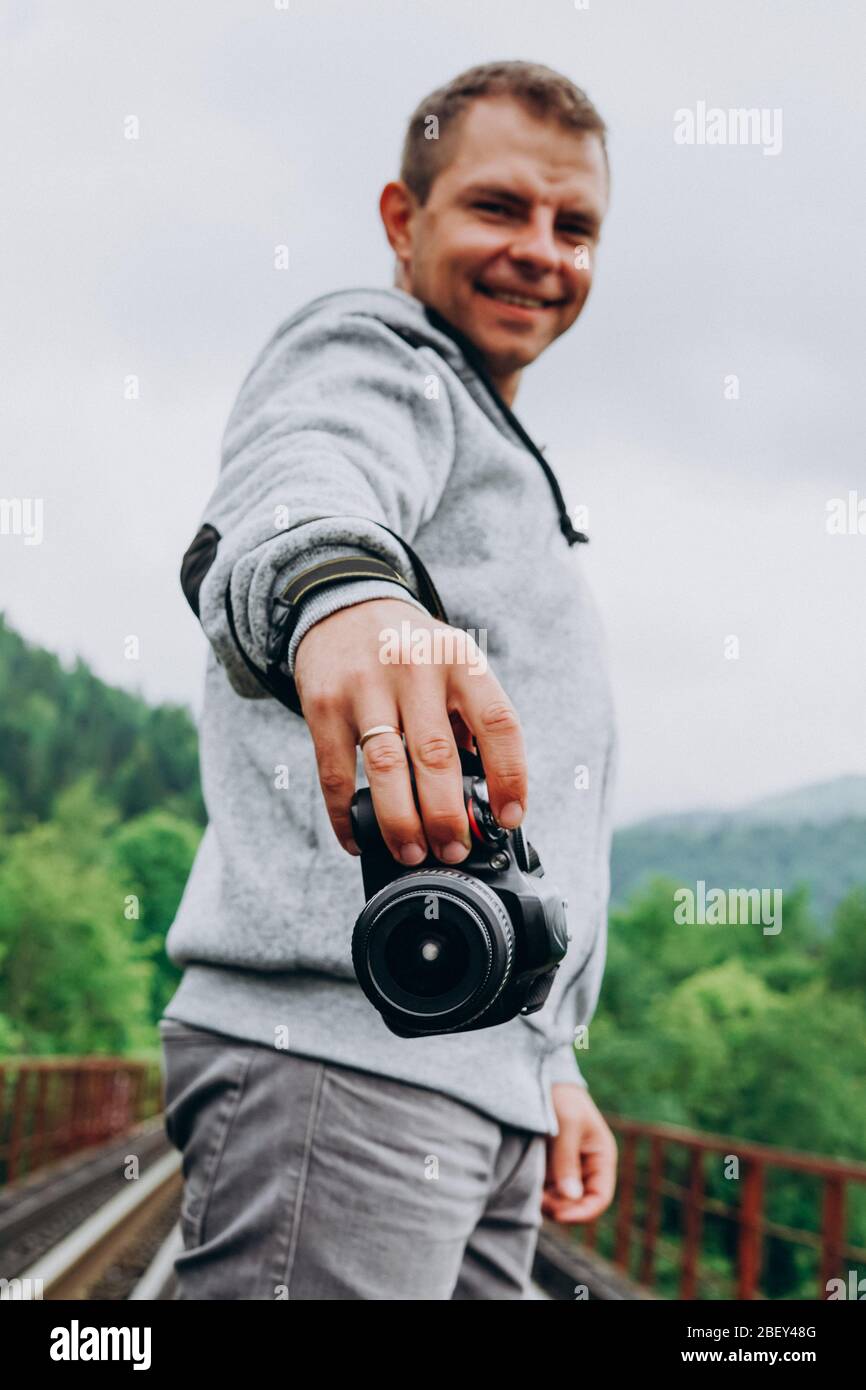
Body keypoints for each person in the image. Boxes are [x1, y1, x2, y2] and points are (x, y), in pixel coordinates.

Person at [161, 59, 619, 1301]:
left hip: (478, 1089)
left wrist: (550, 1063)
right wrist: (342, 590)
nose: (539, 250)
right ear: (400, 221)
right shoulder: (372, 352)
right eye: (496, 207)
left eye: (572, 225)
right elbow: (307, 465)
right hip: (340, 1072)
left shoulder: (499, 451)